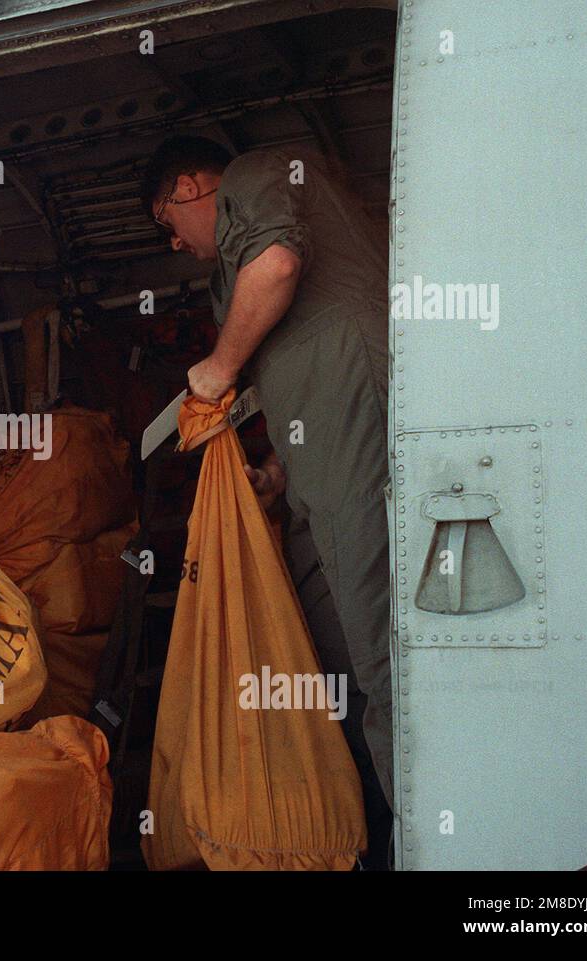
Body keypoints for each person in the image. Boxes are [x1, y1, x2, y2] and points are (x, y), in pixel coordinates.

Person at [141, 137, 395, 826]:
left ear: (191, 187)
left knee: (379, 658)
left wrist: (219, 369)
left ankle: (426, 835)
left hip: (350, 440)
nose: (180, 247)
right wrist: (279, 471)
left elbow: (279, 263)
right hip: (322, 462)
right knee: (337, 648)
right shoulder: (242, 257)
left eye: (168, 227)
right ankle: (367, 823)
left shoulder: (256, 175)